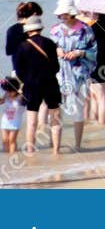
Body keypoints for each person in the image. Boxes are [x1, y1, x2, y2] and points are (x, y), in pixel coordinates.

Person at [49, 0, 95, 152]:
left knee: (77, 110)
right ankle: (55, 146)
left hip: (78, 75)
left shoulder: (85, 30)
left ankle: (77, 145)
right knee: (55, 109)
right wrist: (57, 50)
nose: (60, 16)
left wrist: (79, 52)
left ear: (70, 13)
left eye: (63, 13)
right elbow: (49, 49)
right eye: (59, 14)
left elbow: (94, 52)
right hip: (58, 73)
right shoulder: (55, 30)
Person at [13, 15, 58, 156]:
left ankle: (31, 151)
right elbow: (56, 67)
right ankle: (56, 151)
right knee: (55, 119)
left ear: (28, 30)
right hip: (50, 84)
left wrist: (27, 79)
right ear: (40, 28)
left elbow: (19, 71)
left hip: (31, 86)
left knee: (32, 121)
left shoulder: (22, 46)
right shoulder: (50, 43)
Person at [1, 77, 20, 155]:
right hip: (5, 122)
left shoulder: (20, 98)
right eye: (7, 91)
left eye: (10, 91)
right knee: (5, 140)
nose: (9, 93)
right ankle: (6, 155)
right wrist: (5, 95)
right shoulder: (5, 97)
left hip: (15, 123)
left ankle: (12, 155)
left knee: (12, 140)